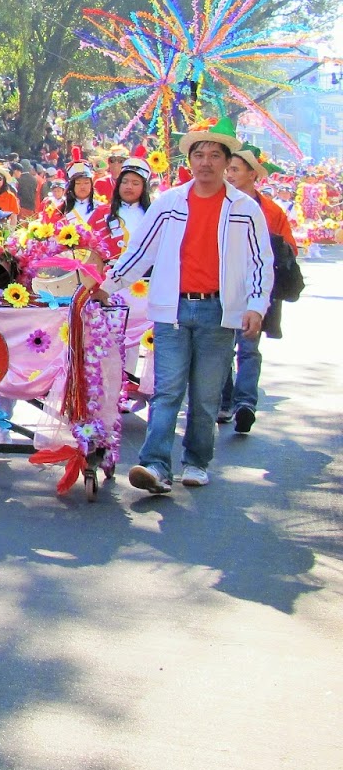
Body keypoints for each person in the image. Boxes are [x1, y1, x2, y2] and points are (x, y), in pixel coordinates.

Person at [103, 118, 273, 493]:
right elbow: (139, 252)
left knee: (207, 394)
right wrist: (107, 286)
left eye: (215, 155)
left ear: (226, 163)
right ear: (189, 161)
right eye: (200, 154)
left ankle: (196, 461)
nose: (206, 162)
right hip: (172, 310)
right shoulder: (169, 202)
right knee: (166, 390)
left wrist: (256, 306)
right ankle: (155, 465)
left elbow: (261, 262)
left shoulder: (245, 208)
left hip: (219, 311)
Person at [218, 143, 296, 435]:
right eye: (229, 169)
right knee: (223, 348)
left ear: (253, 174)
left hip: (255, 290)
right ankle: (224, 401)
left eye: (235, 169)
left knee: (249, 348)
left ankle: (245, 404)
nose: (230, 174)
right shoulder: (218, 202)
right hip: (222, 288)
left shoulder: (272, 211)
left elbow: (290, 250)